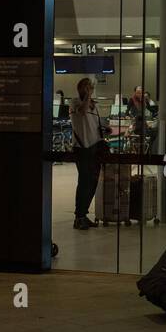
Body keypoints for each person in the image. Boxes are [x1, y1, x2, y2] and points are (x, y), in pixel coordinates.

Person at [70, 77, 109, 230]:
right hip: (82, 148)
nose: (88, 90)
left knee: (93, 183)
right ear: (80, 88)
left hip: (95, 147)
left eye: (90, 88)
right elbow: (82, 112)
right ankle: (78, 217)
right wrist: (87, 97)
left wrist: (104, 130)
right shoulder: (75, 102)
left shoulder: (95, 106)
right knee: (84, 182)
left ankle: (83, 214)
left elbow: (94, 125)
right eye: (85, 87)